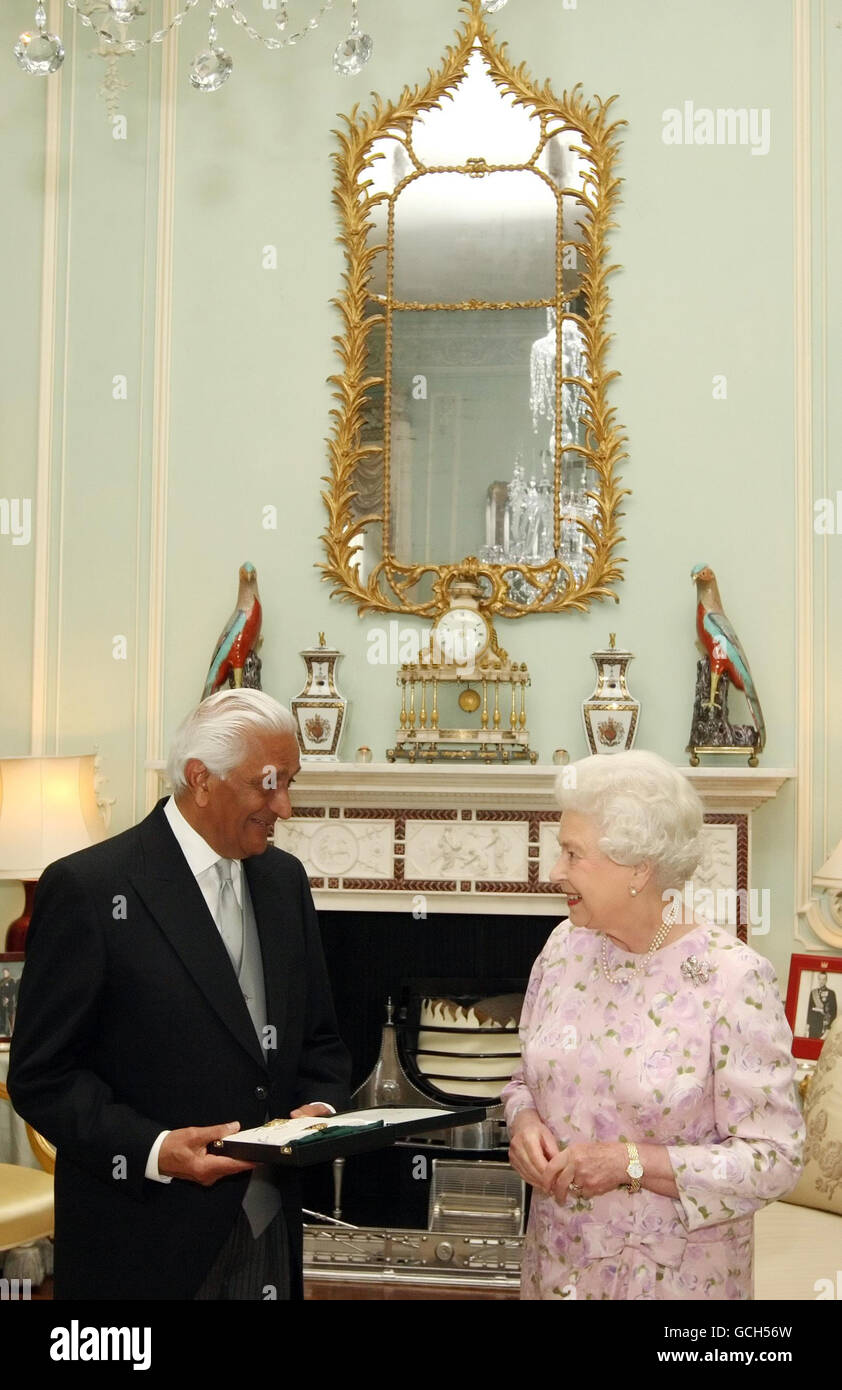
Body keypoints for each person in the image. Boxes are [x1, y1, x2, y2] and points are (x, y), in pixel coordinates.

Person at [8, 690, 351, 1300]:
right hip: (140, 1244)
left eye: (289, 783)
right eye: (267, 786)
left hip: (268, 1230)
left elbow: (320, 1040)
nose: (286, 807)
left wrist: (318, 1114)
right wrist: (157, 1149)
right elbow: (43, 1076)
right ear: (201, 779)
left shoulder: (283, 880)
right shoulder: (89, 888)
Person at [502, 750, 804, 1301]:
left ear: (639, 867)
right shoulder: (561, 949)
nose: (555, 871)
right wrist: (522, 1124)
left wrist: (630, 1164)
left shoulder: (732, 979)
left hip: (674, 1283)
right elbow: (525, 1079)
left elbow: (774, 1159)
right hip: (556, 1267)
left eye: (573, 853)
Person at [806, 971, 838, 1039]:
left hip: (824, 1024)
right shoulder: (813, 992)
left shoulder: (831, 993)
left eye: (823, 979)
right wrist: (808, 1024)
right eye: (820, 979)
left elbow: (834, 1011)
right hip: (813, 1025)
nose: (821, 981)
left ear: (826, 980)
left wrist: (829, 1026)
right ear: (818, 979)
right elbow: (809, 1009)